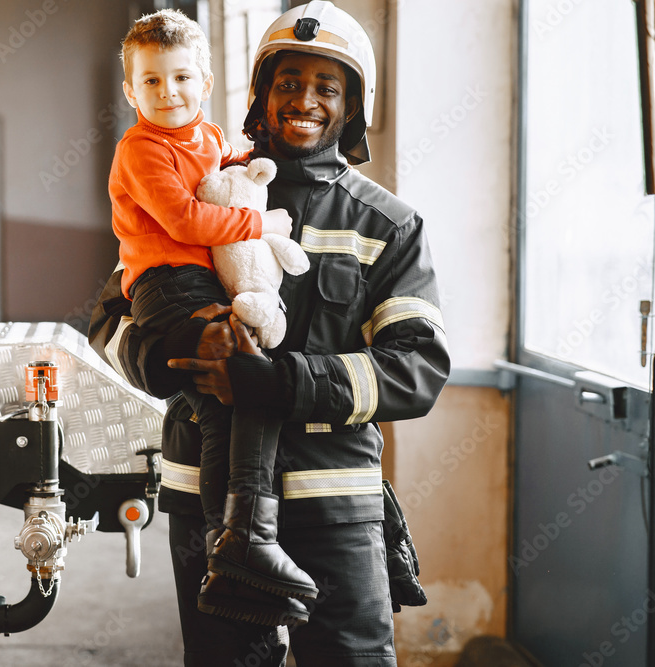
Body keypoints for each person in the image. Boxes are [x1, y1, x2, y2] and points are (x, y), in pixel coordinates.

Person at [90, 2, 450, 665]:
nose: (304, 100)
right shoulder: (201, 186)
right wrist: (173, 356)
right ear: (260, 95)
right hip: (207, 497)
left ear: (353, 105)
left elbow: (417, 367)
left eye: (326, 86)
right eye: (288, 82)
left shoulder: (389, 225)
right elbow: (110, 320)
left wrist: (286, 382)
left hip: (332, 501)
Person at [110, 9, 318, 625]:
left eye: (180, 78)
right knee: (239, 376)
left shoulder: (209, 136)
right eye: (150, 81)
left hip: (203, 279)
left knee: (226, 400)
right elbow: (185, 223)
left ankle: (235, 547)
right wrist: (262, 222)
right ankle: (242, 540)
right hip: (165, 285)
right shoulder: (141, 150)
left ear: (204, 80)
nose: (167, 93)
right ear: (131, 90)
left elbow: (238, 166)